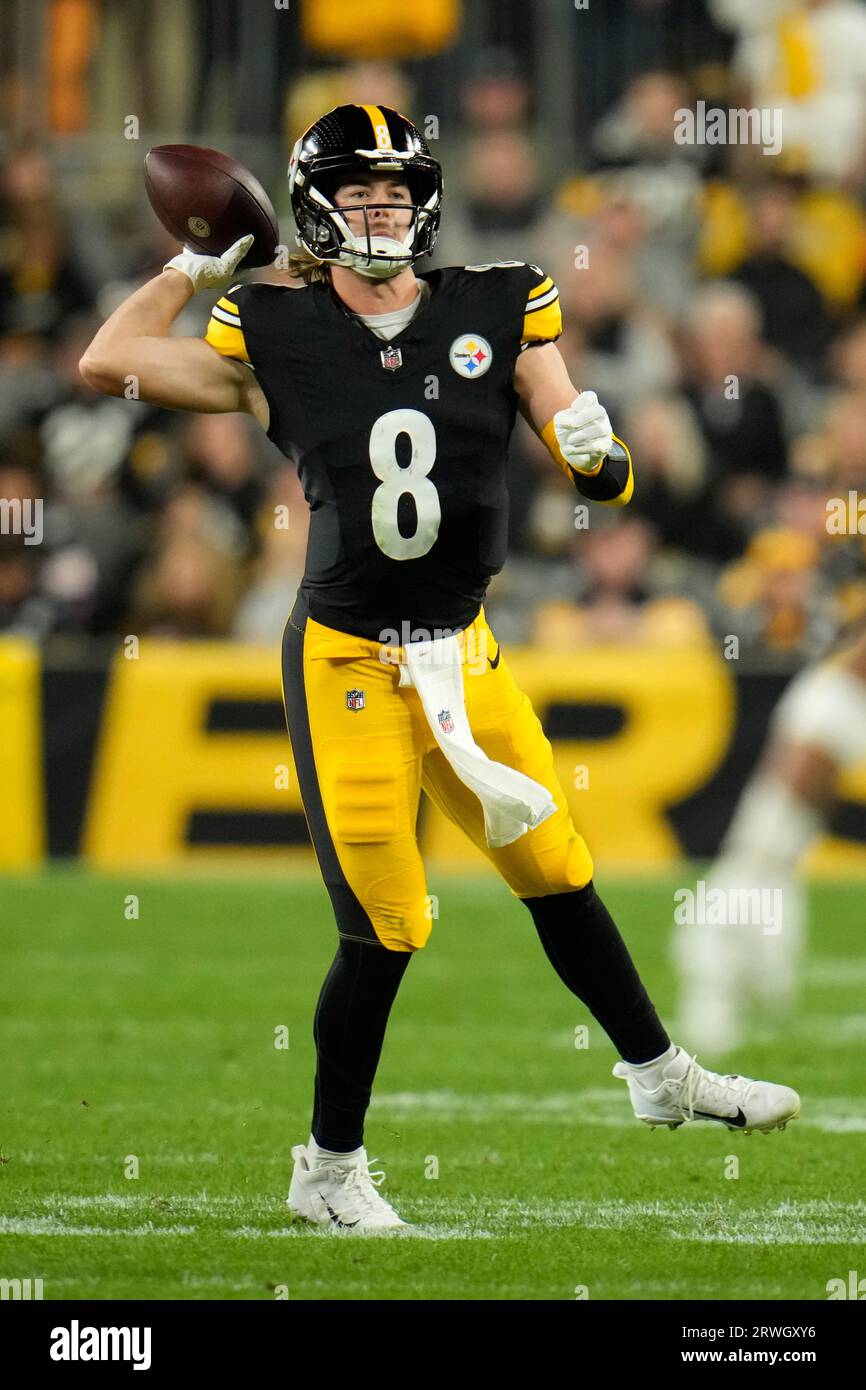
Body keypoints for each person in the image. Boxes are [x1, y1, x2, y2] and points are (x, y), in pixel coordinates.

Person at [80, 103, 800, 1233]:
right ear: (317, 207)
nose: (382, 209)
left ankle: (657, 1074)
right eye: (359, 193)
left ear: (426, 201)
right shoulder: (277, 329)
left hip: (462, 652)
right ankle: (325, 1169)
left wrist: (594, 453)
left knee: (554, 861)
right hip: (347, 661)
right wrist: (186, 264)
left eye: (396, 190)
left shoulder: (497, 299)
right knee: (388, 919)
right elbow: (106, 361)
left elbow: (586, 457)